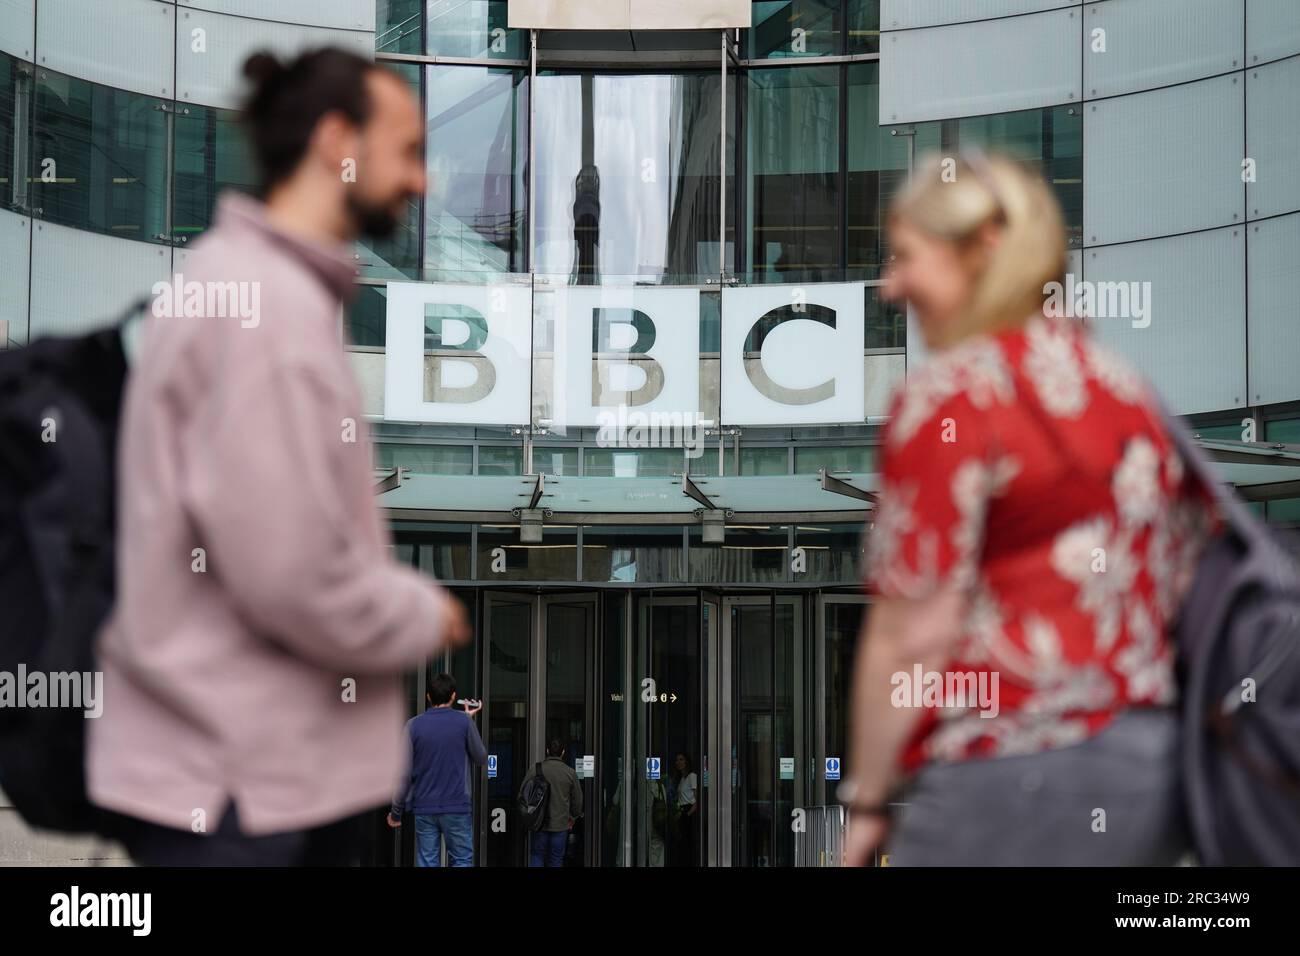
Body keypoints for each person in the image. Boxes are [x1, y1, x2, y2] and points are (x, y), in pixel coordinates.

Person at [87, 48, 471, 866]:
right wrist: (424, 613)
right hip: (246, 790)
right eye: (407, 150)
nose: (424, 181)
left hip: (230, 780)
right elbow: (290, 573)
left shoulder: (239, 284)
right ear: (338, 140)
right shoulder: (269, 310)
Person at [841, 149, 1215, 867]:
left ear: (982, 249)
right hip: (1151, 780)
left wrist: (867, 802)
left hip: (1008, 773)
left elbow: (915, 629)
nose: (891, 285)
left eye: (906, 256)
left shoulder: (953, 396)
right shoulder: (1125, 389)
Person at [388, 674, 486, 866]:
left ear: (428, 697)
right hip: (457, 805)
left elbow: (403, 774)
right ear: (453, 696)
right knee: (461, 860)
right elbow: (481, 757)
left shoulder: (413, 725)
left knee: (427, 861)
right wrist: (468, 721)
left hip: (424, 806)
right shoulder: (464, 722)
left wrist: (396, 812)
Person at [528, 739, 583, 867]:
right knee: (556, 859)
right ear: (563, 752)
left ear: (547, 751)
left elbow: (523, 794)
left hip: (539, 824)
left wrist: (529, 817)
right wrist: (573, 817)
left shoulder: (535, 769)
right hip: (560, 825)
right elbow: (578, 800)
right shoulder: (570, 773)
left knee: (537, 855)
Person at [670, 752, 698, 866]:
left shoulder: (692, 776)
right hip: (680, 810)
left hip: (687, 811)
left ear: (686, 762)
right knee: (680, 843)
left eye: (681, 759)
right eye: (677, 760)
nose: (678, 762)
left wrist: (688, 814)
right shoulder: (681, 779)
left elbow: (697, 800)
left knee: (685, 843)